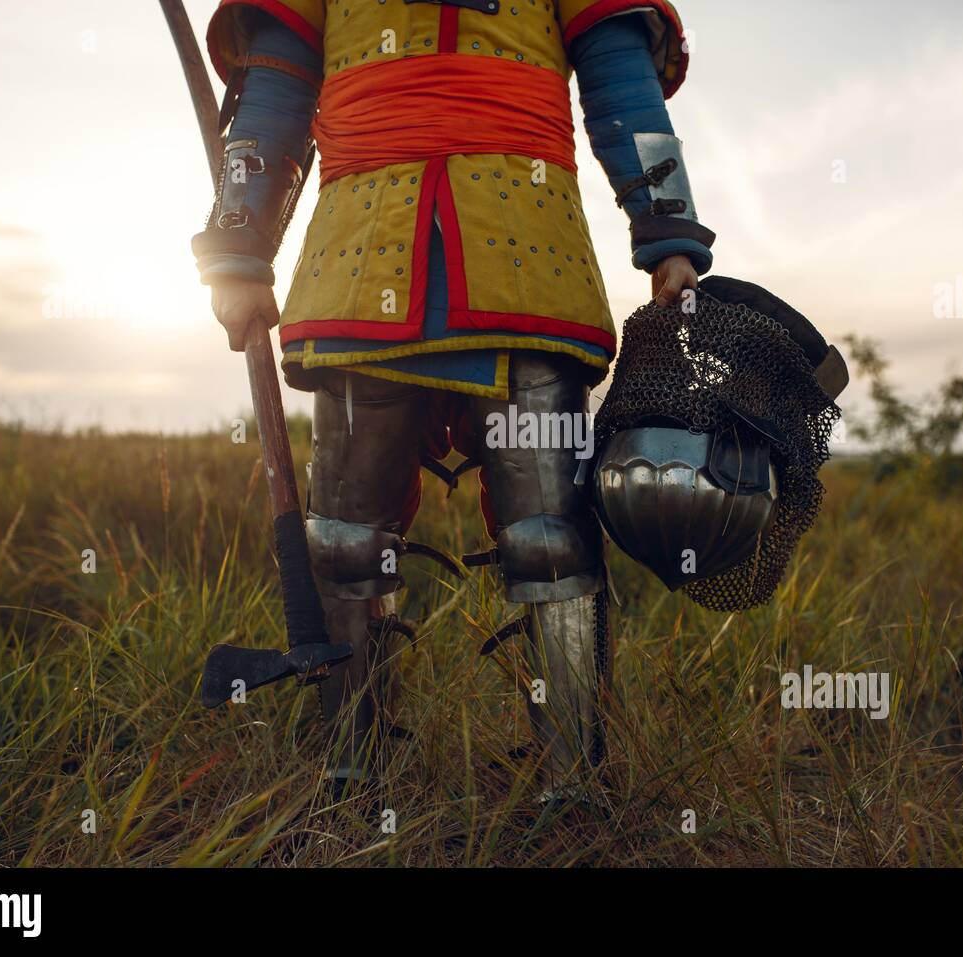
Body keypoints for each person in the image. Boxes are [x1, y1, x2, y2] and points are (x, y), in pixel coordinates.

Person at [193, 0, 715, 800]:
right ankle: (349, 774)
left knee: (553, 539)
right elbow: (276, 93)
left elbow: (620, 79)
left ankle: (574, 779)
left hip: (526, 253)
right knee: (343, 541)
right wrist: (236, 246)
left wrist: (668, 226)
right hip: (361, 262)